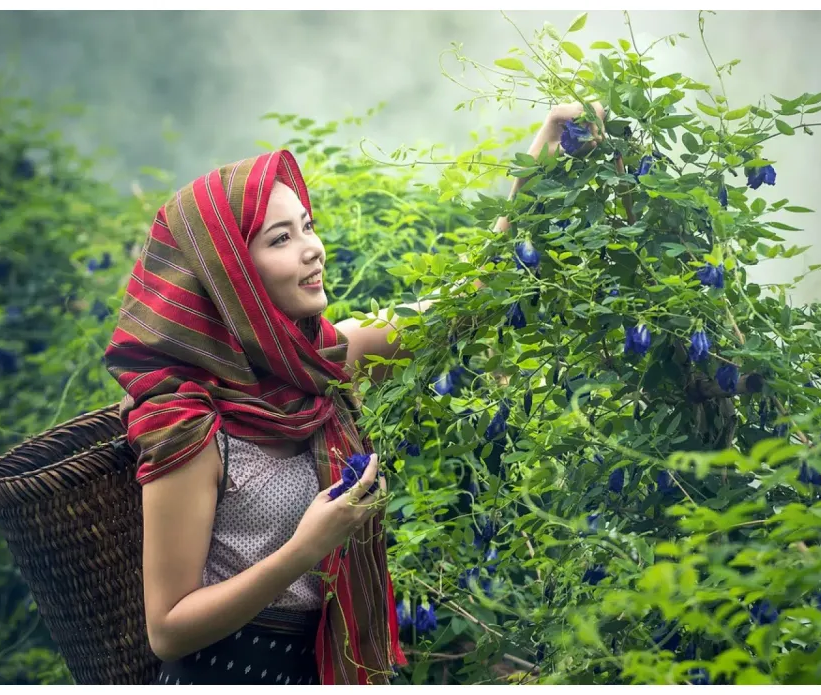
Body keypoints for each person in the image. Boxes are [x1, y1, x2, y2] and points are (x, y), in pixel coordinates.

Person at [103, 101, 603, 686]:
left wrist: (545, 144)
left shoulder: (323, 360)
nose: (312, 247)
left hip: (326, 666)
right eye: (280, 238)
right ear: (230, 275)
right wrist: (305, 549)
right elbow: (168, 628)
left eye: (307, 227)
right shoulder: (187, 421)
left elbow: (479, 295)